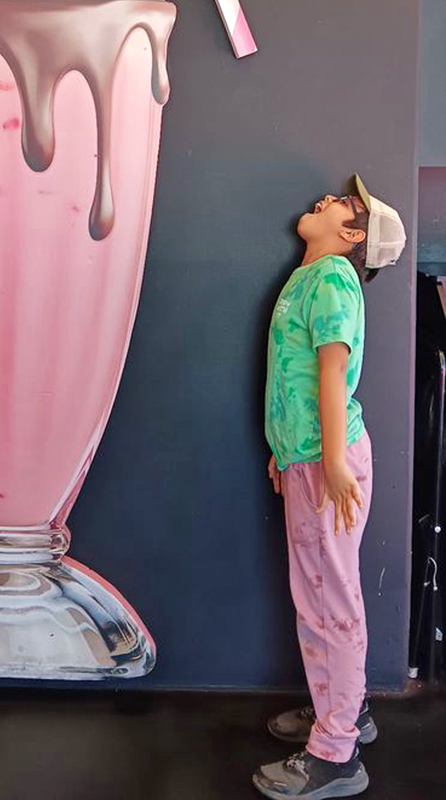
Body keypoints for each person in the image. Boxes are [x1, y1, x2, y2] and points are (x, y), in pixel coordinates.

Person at [253, 175, 406, 800]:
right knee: (318, 598)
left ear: (351, 236)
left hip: (329, 465)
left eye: (346, 205)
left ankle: (337, 751)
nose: (330, 198)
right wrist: (288, 453)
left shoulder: (335, 279)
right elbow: (294, 379)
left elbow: (333, 368)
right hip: (309, 460)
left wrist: (332, 461)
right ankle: (344, 710)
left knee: (331, 603)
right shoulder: (309, 277)